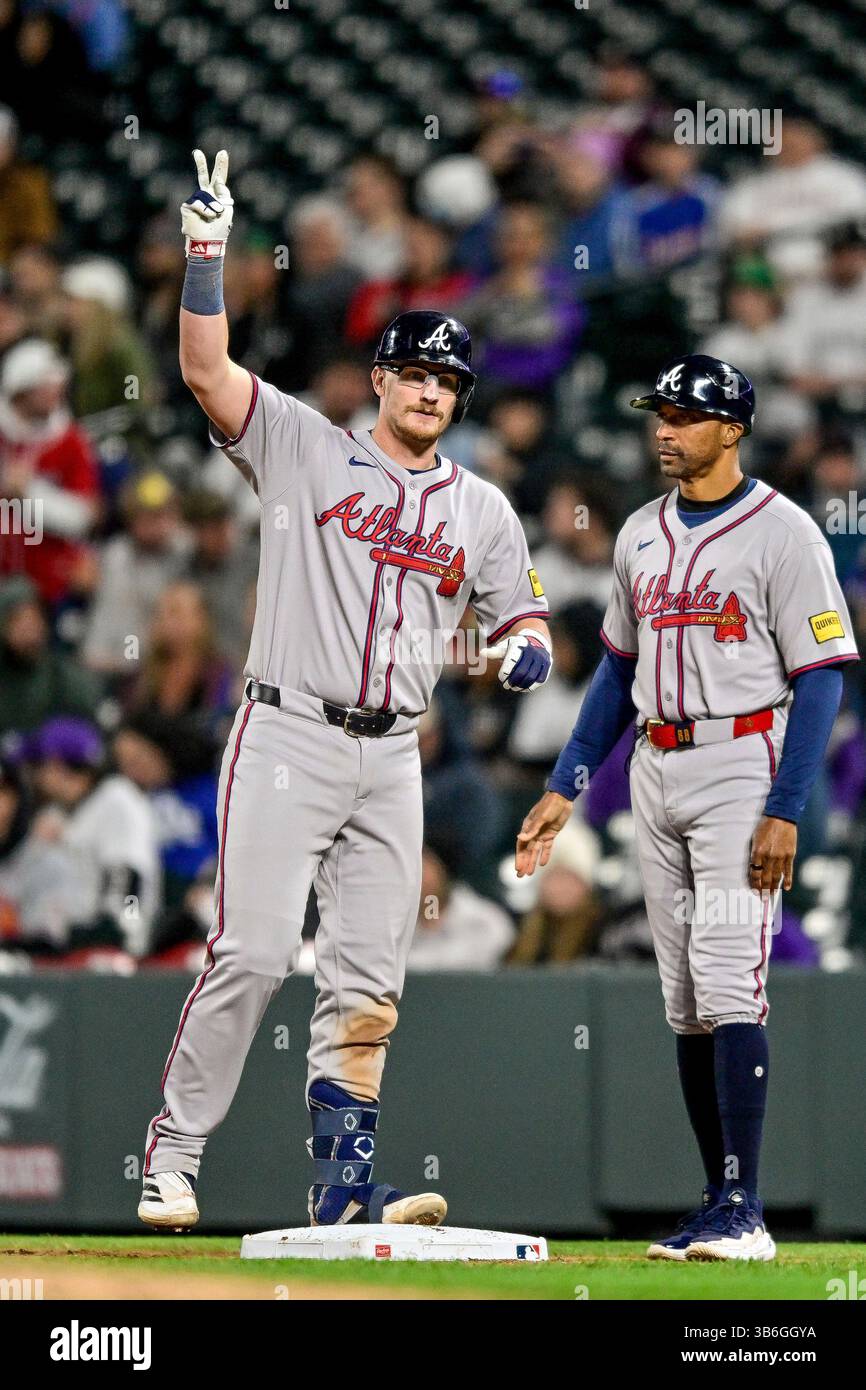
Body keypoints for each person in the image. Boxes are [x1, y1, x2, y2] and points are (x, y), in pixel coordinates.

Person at [138, 150, 553, 1233]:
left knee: (367, 985)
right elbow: (203, 370)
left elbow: (525, 623)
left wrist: (520, 653)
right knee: (255, 950)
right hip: (288, 730)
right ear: (380, 377)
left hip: (391, 755)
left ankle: (341, 1196)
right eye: (416, 372)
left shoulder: (482, 511)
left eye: (449, 380)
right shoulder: (302, 448)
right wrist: (204, 255)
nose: (431, 391)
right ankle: (171, 1156)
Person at [515, 354, 859, 1261]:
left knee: (726, 973)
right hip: (656, 765)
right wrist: (566, 785)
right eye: (659, 413)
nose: (664, 428)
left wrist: (787, 805)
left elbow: (821, 677)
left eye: (685, 414)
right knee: (686, 1002)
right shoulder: (638, 532)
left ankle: (747, 1212)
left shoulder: (784, 532)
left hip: (746, 761)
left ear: (732, 427)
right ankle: (718, 1200)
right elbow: (618, 675)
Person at [0, 338, 100, 609]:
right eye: (46, 387)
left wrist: (27, 492)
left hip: (52, 588)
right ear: (21, 390)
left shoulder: (70, 441)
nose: (56, 393)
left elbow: (82, 516)